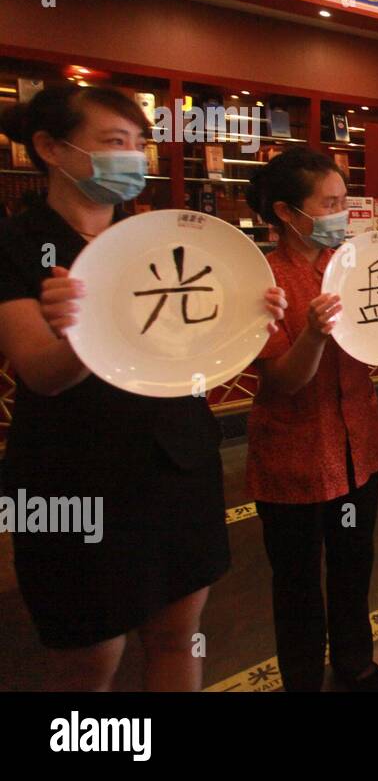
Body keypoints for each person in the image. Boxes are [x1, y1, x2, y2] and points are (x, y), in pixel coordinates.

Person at [0, 85, 284, 690]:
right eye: (113, 142)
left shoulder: (159, 238)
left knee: (179, 636)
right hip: (74, 475)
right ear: (50, 147)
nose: (132, 157)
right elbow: (42, 375)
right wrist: (85, 329)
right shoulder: (17, 246)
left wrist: (247, 310)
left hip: (176, 460)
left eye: (138, 143)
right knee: (88, 656)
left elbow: (195, 341)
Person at [245, 148, 378, 691]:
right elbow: (280, 380)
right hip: (292, 456)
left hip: (359, 446)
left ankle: (355, 660)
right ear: (285, 212)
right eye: (328, 203)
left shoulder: (353, 266)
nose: (341, 214)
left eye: (344, 201)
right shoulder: (265, 281)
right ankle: (301, 677)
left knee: (353, 563)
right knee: (297, 579)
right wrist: (312, 333)